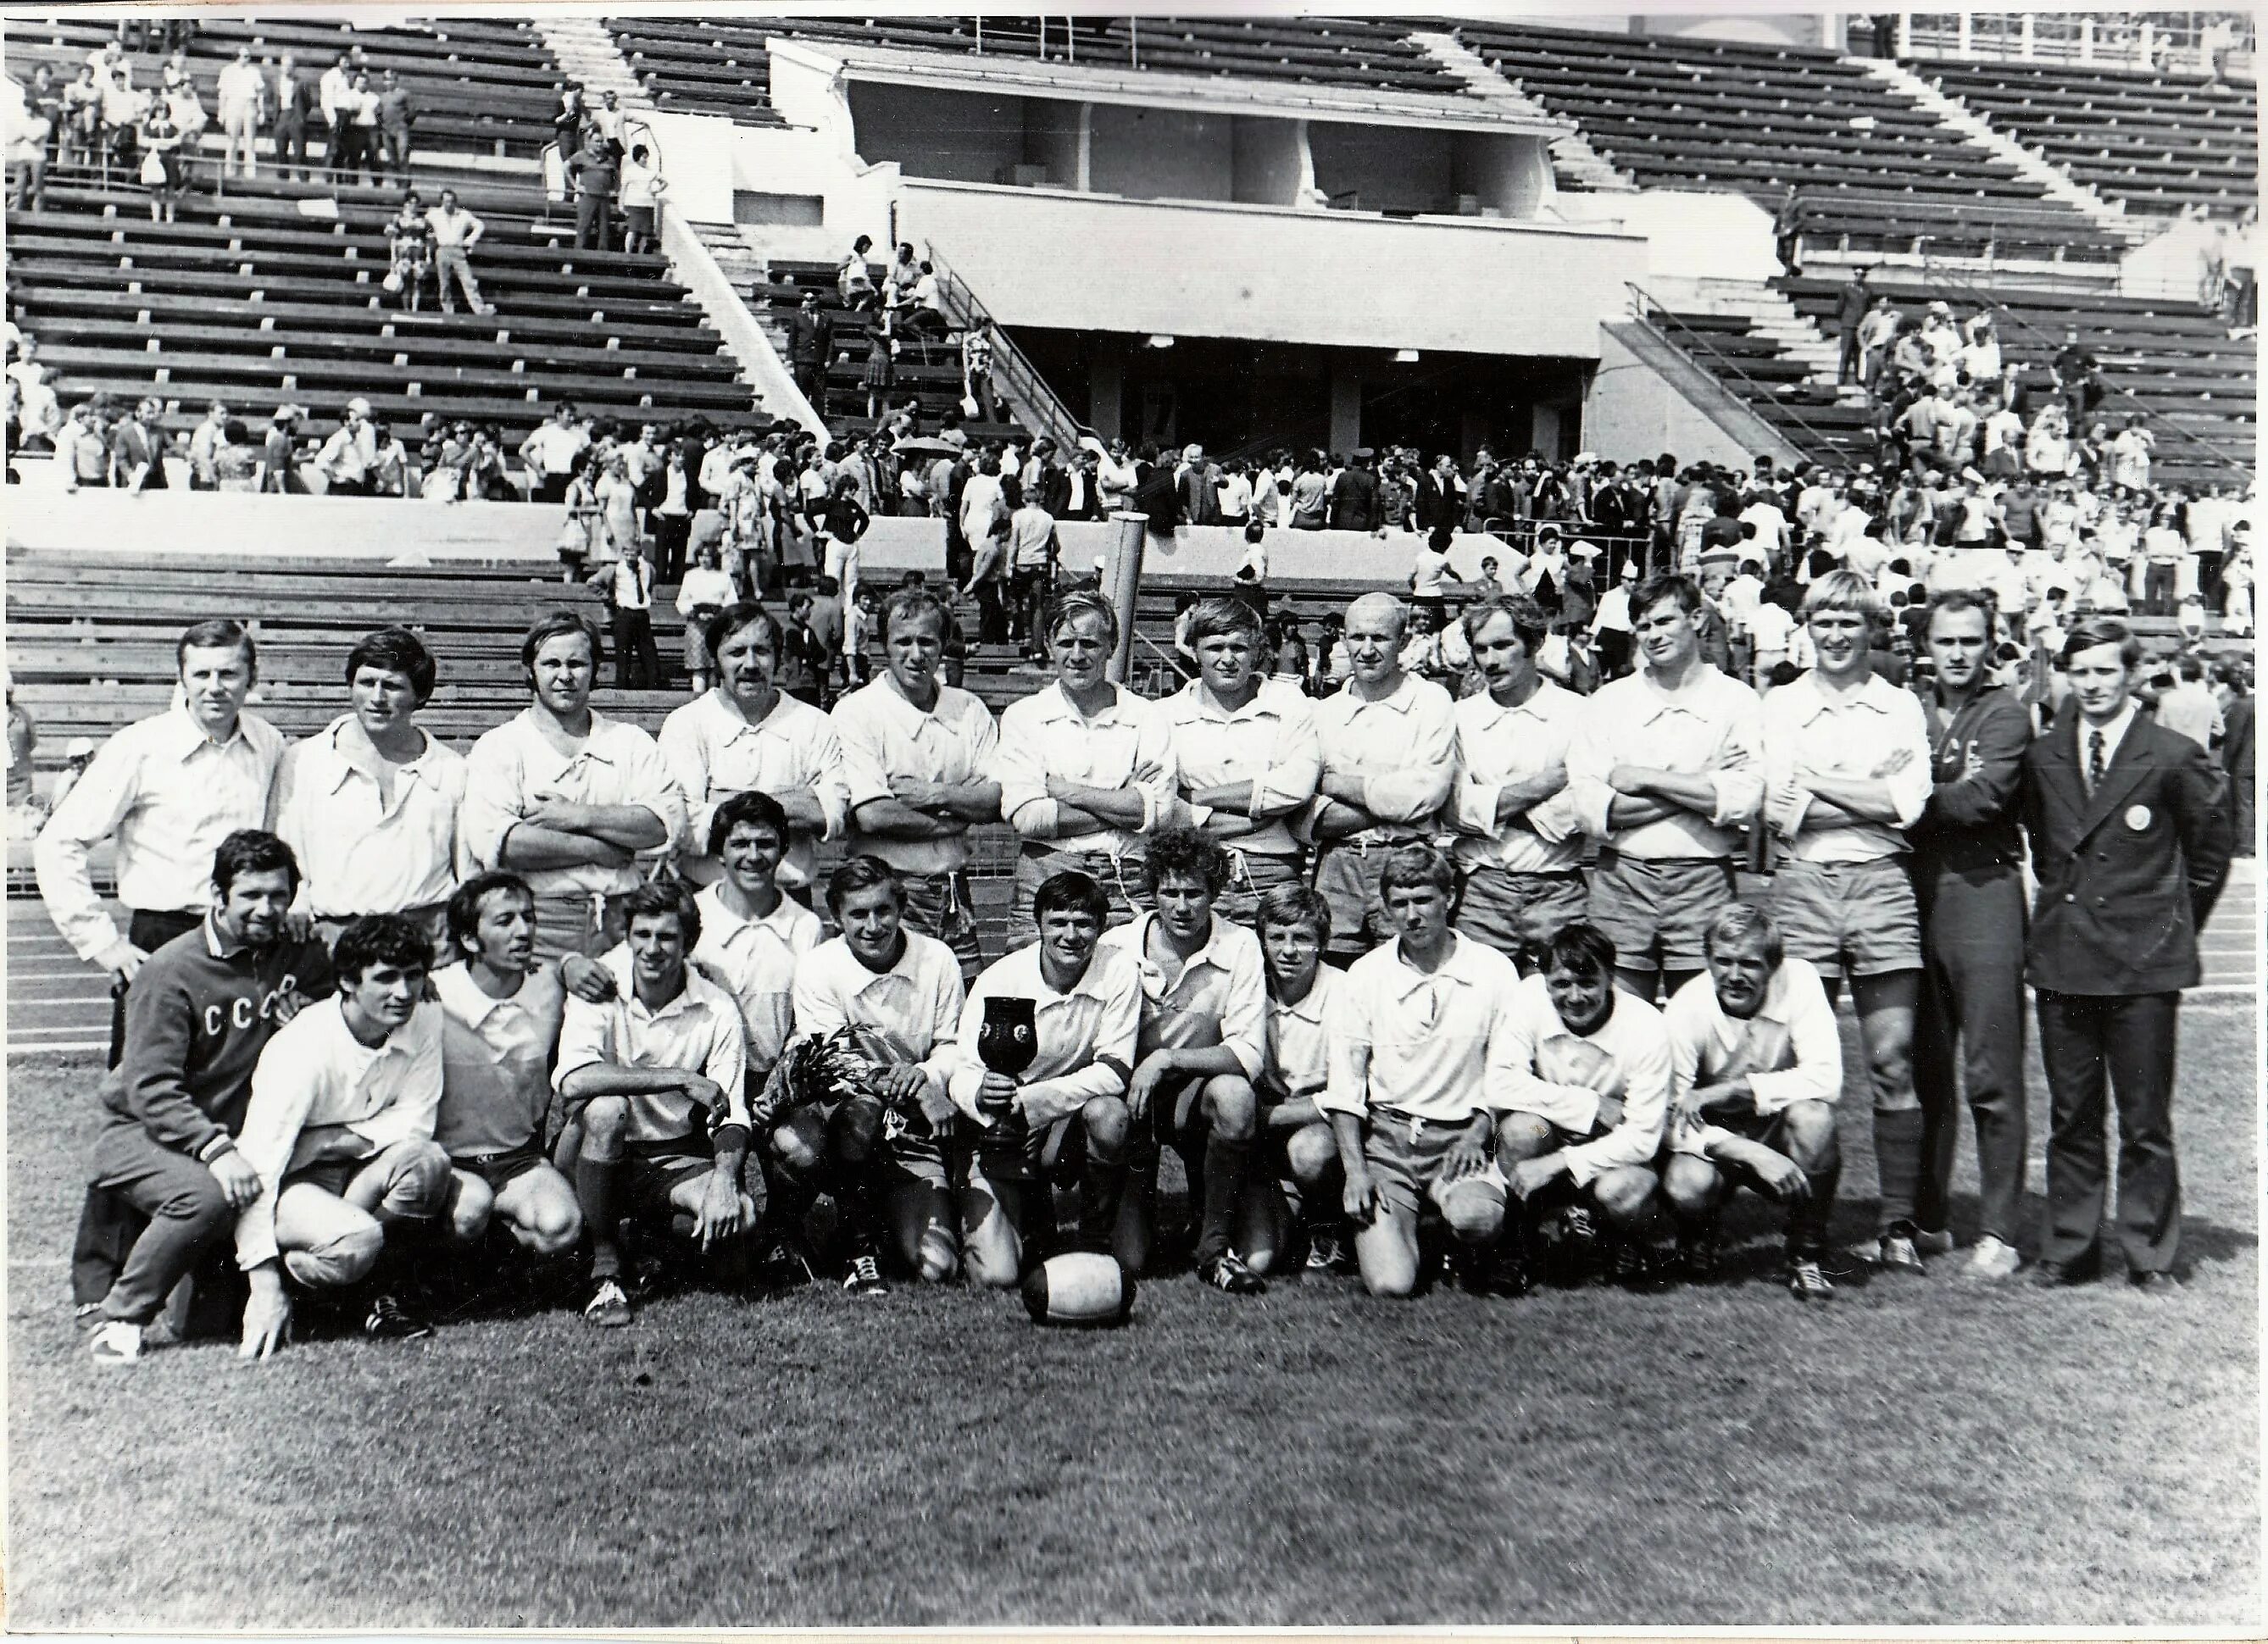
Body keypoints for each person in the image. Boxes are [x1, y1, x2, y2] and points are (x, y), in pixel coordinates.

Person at [2022, 618, 2232, 1292]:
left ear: (2134, 675)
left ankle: (2149, 1252)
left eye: (2106, 671)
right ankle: (2072, 1245)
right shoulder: (2045, 754)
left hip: (2144, 965)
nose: (2093, 685)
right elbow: (2044, 845)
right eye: (2079, 672)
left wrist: (2170, 927)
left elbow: (2208, 853)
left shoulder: (2171, 753)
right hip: (2065, 956)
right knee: (2071, 1114)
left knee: (2145, 1118)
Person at [75, 832, 332, 1364]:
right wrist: (216, 1150)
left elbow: (344, 996)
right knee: (207, 1197)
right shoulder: (170, 971)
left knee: (208, 1324)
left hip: (236, 1134)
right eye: (251, 896)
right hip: (144, 1132)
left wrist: (308, 1013)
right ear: (218, 895)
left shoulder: (298, 952)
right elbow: (150, 1088)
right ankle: (121, 1317)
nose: (268, 909)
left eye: (279, 895)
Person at [1759, 570, 1933, 1271]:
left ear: (1872, 630)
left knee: (1891, 1060)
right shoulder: (1779, 703)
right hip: (1803, 881)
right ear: (1807, 626)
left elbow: (1908, 805)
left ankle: (1897, 1226)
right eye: (1824, 621)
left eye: (1849, 623)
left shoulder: (1898, 705)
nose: (1835, 635)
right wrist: (1867, 789)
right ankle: (1807, 1228)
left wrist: (1817, 782)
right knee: (1799, 1063)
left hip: (1881, 882)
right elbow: (1775, 808)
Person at [36, 620, 287, 1052]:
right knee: (146, 1084)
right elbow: (59, 841)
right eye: (201, 674)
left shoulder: (269, 744)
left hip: (246, 937)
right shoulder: (140, 747)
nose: (215, 687)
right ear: (182, 678)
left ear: (251, 679)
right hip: (164, 935)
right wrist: (102, 942)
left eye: (228, 674)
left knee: (238, 1088)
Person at [232, 914, 458, 1358]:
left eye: (414, 977)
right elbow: (260, 1168)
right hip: (294, 1182)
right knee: (358, 1240)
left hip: (350, 1162)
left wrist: (332, 1139)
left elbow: (416, 1119)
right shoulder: (302, 1049)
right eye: (386, 978)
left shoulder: (425, 1016)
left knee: (428, 1163)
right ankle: (309, 1281)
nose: (404, 992)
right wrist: (264, 1286)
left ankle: (370, 1287)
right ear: (348, 983)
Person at [1319, 842, 1522, 1298]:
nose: (1412, 915)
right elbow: (1346, 1085)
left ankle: (1467, 1238)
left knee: (1476, 1218)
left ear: (1449, 899)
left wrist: (1479, 1130)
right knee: (1392, 1284)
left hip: (1461, 1143)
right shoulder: (1366, 974)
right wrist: (1356, 1171)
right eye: (1400, 903)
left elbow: (1507, 1069)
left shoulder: (1494, 970)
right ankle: (1419, 1238)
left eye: (1424, 900)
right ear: (1386, 908)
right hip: (1390, 1143)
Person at [553, 882, 757, 1327]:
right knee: (607, 1110)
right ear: (627, 936)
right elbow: (573, 1081)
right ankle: (604, 1268)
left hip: (670, 1156)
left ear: (688, 943)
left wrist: (725, 1178)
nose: (652, 949)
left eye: (666, 937)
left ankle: (648, 1242)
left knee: (739, 1220)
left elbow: (732, 1110)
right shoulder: (600, 986)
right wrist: (679, 1079)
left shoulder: (716, 1006)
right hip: (595, 1149)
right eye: (641, 935)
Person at [1907, 591, 2032, 1280]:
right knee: (1926, 1068)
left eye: (1971, 640)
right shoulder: (1909, 706)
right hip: (1913, 894)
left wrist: (1899, 792)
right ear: (1928, 643)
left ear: (1991, 643)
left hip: (1983, 894)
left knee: (1991, 1071)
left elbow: (1980, 799)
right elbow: (1946, 794)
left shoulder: (2006, 711)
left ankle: (2002, 1229)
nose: (1958, 653)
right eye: (1946, 640)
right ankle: (1929, 1221)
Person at [1565, 572, 1764, 1003]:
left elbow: (1743, 801)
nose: (1653, 635)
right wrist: (1702, 779)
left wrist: (1646, 778)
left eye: (1664, 621)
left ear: (1696, 618)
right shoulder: (1609, 702)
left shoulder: (1738, 700)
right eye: (1643, 626)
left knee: (1705, 1030)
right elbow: (1591, 809)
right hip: (1622, 879)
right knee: (1620, 1029)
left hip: (1705, 879)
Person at [947, 869, 1144, 1287]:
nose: (1071, 935)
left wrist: (1034, 1103)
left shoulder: (1120, 970)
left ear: (1101, 927)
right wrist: (982, 1094)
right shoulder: (1000, 978)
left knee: (1110, 1116)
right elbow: (962, 1067)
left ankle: (1095, 1239)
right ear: (1038, 925)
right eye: (1058, 922)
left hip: (1062, 1118)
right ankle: (1009, 1210)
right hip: (1001, 1128)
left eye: (1084, 923)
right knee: (997, 1275)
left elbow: (1115, 1071)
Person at [1099, 829, 1271, 1292]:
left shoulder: (1241, 946)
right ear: (1151, 891)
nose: (1181, 906)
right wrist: (1145, 1069)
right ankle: (1125, 1210)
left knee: (1236, 1098)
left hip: (1196, 1094)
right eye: (1169, 892)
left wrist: (1168, 1059)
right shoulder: (1116, 945)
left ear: (1214, 893)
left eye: (1194, 893)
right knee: (1130, 1261)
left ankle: (1213, 1248)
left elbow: (1248, 1055)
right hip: (1131, 1099)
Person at [459, 611, 686, 961]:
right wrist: (600, 850)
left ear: (596, 671)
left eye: (577, 663)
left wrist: (574, 816)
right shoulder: (500, 745)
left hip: (620, 921)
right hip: (532, 921)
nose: (565, 676)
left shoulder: (629, 741)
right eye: (551, 663)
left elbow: (660, 825)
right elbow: (502, 843)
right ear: (530, 671)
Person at [787, 857, 966, 1285]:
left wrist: (926, 1078)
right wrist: (913, 1085)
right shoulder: (817, 966)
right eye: (858, 914)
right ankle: (850, 1236)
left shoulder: (938, 958)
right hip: (844, 1122)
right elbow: (831, 1060)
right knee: (853, 1118)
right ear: (836, 918)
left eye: (883, 911)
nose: (873, 926)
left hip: (910, 1133)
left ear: (901, 909)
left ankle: (886, 1216)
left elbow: (951, 1045)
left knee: (937, 1267)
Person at [1661, 903, 1845, 1300]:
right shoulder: (1685, 1007)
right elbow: (1669, 1114)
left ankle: (1805, 1250)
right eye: (1723, 962)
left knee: (1815, 1117)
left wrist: (1734, 1089)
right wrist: (1746, 1150)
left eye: (1750, 964)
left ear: (1774, 966)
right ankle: (1699, 1236)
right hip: (1715, 1136)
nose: (1735, 976)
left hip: (1777, 1125)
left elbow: (1827, 1080)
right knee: (1686, 1183)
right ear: (1708, 961)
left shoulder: (1802, 981)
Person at [831, 588, 1001, 980]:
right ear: (884, 647)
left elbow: (994, 799)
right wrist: (957, 814)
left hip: (955, 892)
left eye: (927, 641)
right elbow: (873, 814)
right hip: (886, 890)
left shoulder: (968, 709)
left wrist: (934, 794)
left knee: (961, 1009)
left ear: (943, 647)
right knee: (896, 1011)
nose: (916, 653)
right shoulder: (857, 711)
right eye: (903, 641)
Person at [992, 591, 1176, 948]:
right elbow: (1029, 818)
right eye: (1066, 643)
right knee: (1035, 994)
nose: (1077, 656)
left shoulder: (1148, 717)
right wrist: (1124, 804)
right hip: (1045, 874)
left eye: (1089, 643)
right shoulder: (1024, 716)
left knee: (1132, 991)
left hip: (1126, 878)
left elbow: (1161, 811)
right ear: (1048, 645)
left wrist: (1066, 791)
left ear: (1112, 646)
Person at [1496, 922, 1674, 1290]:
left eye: (1588, 982)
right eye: (1561, 984)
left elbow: (1642, 1138)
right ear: (1544, 979)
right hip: (1551, 1130)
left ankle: (1613, 1235)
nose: (1575, 997)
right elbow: (1499, 1084)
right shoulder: (1528, 997)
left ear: (1610, 977)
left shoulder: (1647, 1026)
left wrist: (1559, 1162)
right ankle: (1519, 1245)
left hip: (1617, 1147)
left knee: (1623, 1193)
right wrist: (1590, 1105)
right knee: (1519, 1130)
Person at [431, 871, 583, 1282]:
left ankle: (495, 1253)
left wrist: (572, 961)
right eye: (504, 921)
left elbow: (593, 964)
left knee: (561, 1227)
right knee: (467, 1213)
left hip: (518, 1160)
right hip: (450, 1164)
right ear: (468, 939)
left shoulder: (549, 985)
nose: (523, 932)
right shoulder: (433, 992)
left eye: (528, 917)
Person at [267, 627, 464, 944]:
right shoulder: (303, 760)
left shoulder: (452, 769)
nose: (377, 698)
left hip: (427, 941)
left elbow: (466, 869)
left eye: (392, 686)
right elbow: (285, 849)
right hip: (333, 939)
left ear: (421, 696)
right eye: (367, 683)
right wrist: (297, 906)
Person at [1303, 594, 1456, 968]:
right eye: (1357, 638)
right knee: (1333, 977)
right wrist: (1392, 799)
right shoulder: (1324, 712)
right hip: (1337, 862)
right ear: (1344, 639)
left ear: (1402, 642)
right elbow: (1308, 808)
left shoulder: (1431, 700)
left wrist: (1337, 785)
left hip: (1408, 858)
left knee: (1410, 971)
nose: (1367, 650)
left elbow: (1426, 795)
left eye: (1380, 639)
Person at [659, 603, 848, 897]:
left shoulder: (813, 723)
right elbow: (684, 823)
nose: (750, 664)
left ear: (778, 657)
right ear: (715, 660)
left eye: (761, 651)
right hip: (706, 897)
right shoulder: (686, 723)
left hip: (791, 900)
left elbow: (831, 814)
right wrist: (794, 801)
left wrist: (722, 801)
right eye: (736, 652)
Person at [1159, 595, 1323, 926]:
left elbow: (1295, 788)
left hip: (1272, 867)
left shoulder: (1290, 703)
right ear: (1194, 650)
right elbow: (1162, 805)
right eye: (1215, 647)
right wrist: (1254, 819)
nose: (1228, 659)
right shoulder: (1165, 715)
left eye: (1239, 648)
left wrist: (1197, 798)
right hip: (1193, 871)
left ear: (1258, 652)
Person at [1448, 594, 1588, 975]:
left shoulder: (1577, 713)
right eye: (1481, 649)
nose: (1491, 661)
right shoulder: (1460, 717)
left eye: (1503, 645)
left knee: (1557, 1008)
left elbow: (1582, 809)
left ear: (1534, 643)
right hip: (1481, 892)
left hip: (1559, 890)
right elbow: (1453, 808)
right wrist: (1550, 782)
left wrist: (1491, 808)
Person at [589, 533, 661, 691]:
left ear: (639, 554)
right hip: (624, 615)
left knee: (649, 656)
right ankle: (621, 690)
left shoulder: (648, 568)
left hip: (642, 615)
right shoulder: (615, 569)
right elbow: (592, 582)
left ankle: (654, 691)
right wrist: (608, 597)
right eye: (626, 554)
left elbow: (650, 585)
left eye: (632, 554)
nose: (629, 557)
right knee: (623, 657)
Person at [425, 188, 488, 317]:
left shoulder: (463, 215)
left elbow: (480, 225)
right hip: (442, 250)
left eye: (451, 201)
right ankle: (448, 311)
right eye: (446, 201)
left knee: (468, 281)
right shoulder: (433, 215)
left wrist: (469, 241)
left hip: (458, 250)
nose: (449, 204)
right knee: (444, 283)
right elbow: (427, 227)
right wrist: (431, 240)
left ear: (455, 202)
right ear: (442, 202)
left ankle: (479, 309)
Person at [567, 132, 618, 252]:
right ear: (589, 142)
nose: (599, 144)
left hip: (604, 198)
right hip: (588, 197)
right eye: (596, 141)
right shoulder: (581, 156)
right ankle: (578, 258)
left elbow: (616, 175)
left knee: (604, 230)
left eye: (601, 141)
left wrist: (615, 189)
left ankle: (602, 260)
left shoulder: (609, 159)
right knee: (584, 227)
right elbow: (566, 166)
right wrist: (575, 185)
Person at [384, 192, 432, 311]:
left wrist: (429, 255)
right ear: (405, 204)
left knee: (417, 281)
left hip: (418, 254)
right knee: (405, 281)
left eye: (416, 203)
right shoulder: (397, 219)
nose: (413, 206)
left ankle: (415, 308)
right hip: (404, 252)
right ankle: (406, 308)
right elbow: (393, 238)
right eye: (410, 203)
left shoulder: (424, 221)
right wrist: (393, 257)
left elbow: (429, 239)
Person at [620, 142, 665, 255]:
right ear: (637, 156)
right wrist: (621, 205)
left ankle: (641, 254)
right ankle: (628, 253)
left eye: (646, 157)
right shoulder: (629, 170)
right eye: (643, 157)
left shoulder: (651, 171)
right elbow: (623, 188)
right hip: (633, 205)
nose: (645, 160)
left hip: (648, 205)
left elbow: (664, 182)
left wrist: (656, 191)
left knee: (645, 233)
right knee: (632, 230)